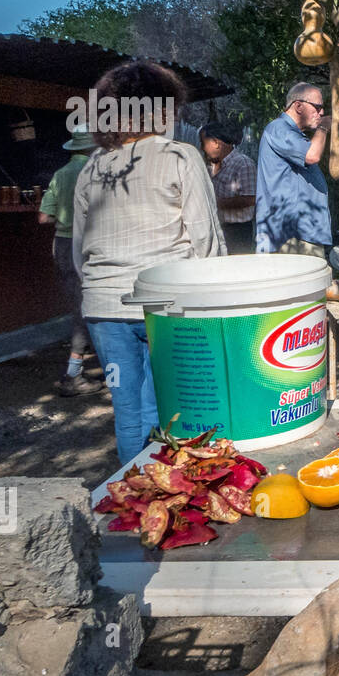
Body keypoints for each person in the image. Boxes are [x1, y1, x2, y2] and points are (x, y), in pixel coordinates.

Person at [72, 62, 225, 464]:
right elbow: (205, 238)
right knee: (168, 408)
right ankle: (164, 497)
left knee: (128, 411)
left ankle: (133, 499)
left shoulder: (92, 168)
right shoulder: (180, 155)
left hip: (103, 308)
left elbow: (78, 250)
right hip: (167, 305)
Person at [38, 124, 101, 397]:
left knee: (79, 308)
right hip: (90, 245)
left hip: (62, 245)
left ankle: (84, 369)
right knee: (91, 310)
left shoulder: (59, 174)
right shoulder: (96, 173)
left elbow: (44, 217)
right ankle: (73, 375)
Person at [256, 82, 331, 257]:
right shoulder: (278, 129)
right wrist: (324, 127)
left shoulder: (295, 135)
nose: (321, 113)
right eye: (318, 107)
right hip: (290, 237)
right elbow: (312, 155)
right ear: (298, 106)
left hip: (303, 235)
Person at [200, 122, 257, 254]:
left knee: (238, 271)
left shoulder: (243, 163)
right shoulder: (209, 166)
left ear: (216, 143)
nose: (202, 148)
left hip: (237, 232)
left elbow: (250, 198)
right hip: (217, 228)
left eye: (203, 143)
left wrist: (215, 203)